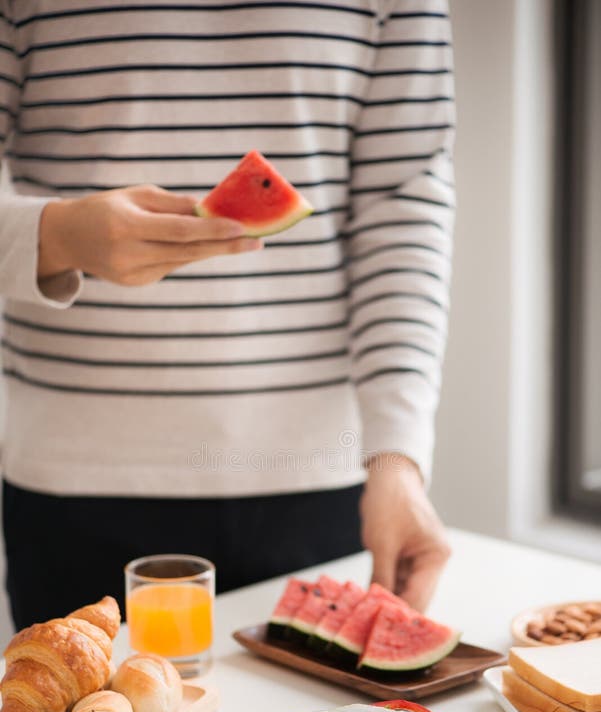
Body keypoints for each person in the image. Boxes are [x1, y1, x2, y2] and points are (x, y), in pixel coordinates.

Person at [0, 0, 454, 629]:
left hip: (327, 481)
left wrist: (397, 459)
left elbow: (403, 208)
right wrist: (57, 239)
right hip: (74, 481)